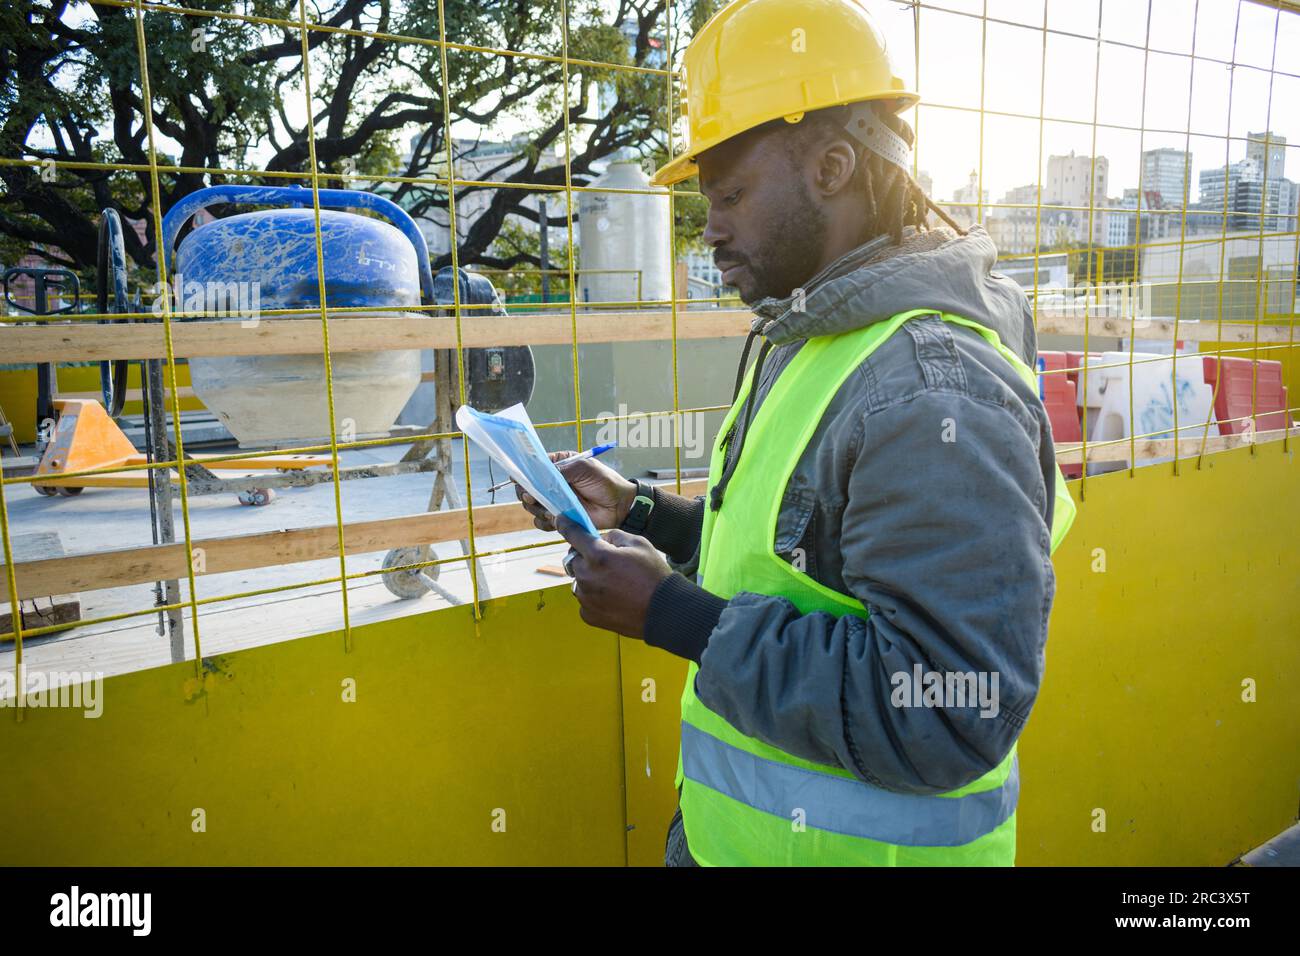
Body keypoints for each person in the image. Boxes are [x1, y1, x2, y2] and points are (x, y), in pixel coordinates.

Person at [516, 0, 1075, 866]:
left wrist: (675, 615)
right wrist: (645, 515)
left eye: (732, 194)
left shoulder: (931, 390)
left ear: (832, 167)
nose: (715, 232)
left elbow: (948, 711)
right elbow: (790, 563)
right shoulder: (807, 337)